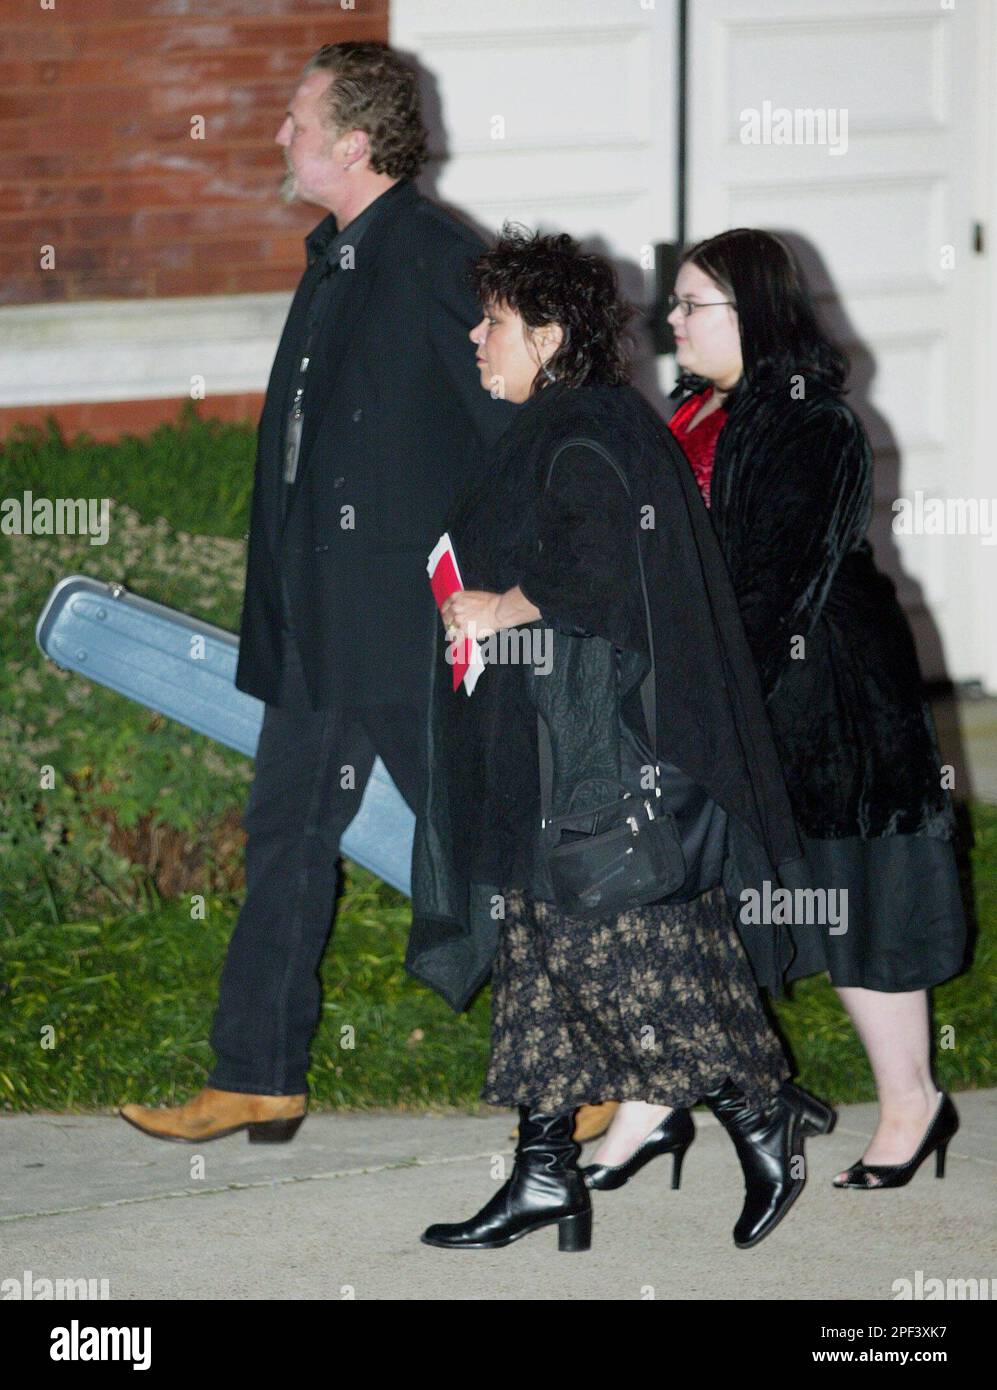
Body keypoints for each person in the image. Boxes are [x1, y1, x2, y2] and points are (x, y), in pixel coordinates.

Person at [405, 225, 835, 1253]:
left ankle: (757, 1107)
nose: (477, 337)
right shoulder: (575, 421)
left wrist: (497, 606)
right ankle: (545, 1173)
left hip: (596, 771)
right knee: (543, 959)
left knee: (629, 963)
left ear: (549, 334)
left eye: (496, 321)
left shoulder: (585, 431)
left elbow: (599, 581)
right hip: (554, 757)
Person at [119, 42, 512, 1143]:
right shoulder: (336, 255)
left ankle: (586, 1065)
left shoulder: (436, 257)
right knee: (286, 832)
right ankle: (258, 1071)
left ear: (352, 141)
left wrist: (495, 587)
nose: (278, 139)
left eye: (296, 121)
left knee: (480, 833)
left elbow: (512, 422)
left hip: (399, 626)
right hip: (315, 624)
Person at [586, 228, 966, 1190]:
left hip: (832, 705)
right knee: (715, 898)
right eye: (672, 305)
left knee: (855, 901)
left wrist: (692, 703)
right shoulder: (697, 411)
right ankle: (711, 1089)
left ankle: (911, 1103)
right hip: (742, 693)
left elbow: (774, 589)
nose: (670, 323)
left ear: (753, 310)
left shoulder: (812, 423)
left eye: (690, 305)